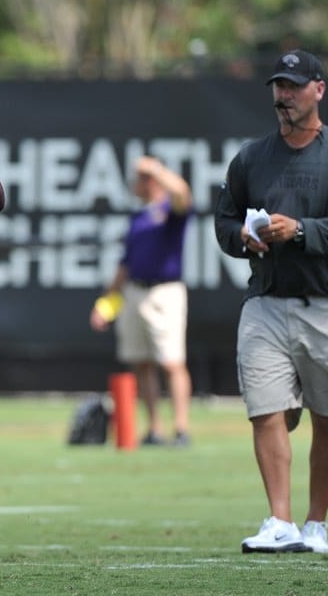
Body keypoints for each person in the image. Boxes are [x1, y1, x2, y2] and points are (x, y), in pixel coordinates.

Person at [214, 49, 328, 555]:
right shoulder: (251, 157)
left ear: (318, 90)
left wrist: (302, 231)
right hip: (266, 301)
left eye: (294, 86)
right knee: (265, 410)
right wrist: (245, 237)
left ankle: (316, 525)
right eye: (278, 86)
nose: (283, 95)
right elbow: (223, 222)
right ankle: (278, 521)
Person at [89, 155, 193, 447]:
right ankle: (155, 430)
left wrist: (156, 169)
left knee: (172, 362)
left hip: (165, 292)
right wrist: (107, 302)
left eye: (138, 178)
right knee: (141, 364)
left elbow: (183, 194)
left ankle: (181, 428)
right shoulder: (138, 217)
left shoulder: (169, 209)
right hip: (135, 292)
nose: (134, 184)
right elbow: (125, 265)